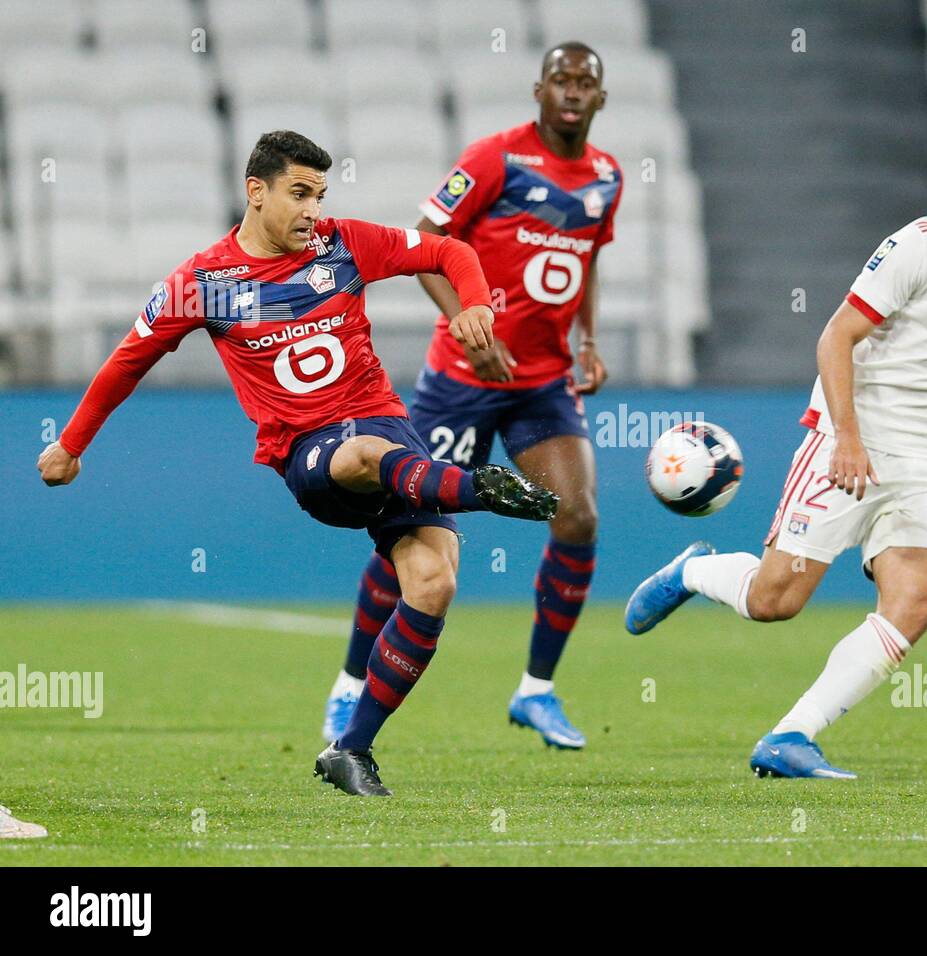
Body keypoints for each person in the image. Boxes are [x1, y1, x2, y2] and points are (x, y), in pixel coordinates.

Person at [37, 130, 558, 797]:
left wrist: (477, 304)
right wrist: (70, 444)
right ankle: (484, 491)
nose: (313, 210)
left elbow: (448, 249)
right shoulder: (202, 283)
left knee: (433, 582)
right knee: (367, 455)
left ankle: (351, 749)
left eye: (320, 195)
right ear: (256, 191)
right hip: (310, 451)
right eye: (300, 193)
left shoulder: (344, 244)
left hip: (385, 427)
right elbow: (127, 361)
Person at [625, 109, 927, 779]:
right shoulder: (922, 245)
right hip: (853, 432)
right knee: (774, 601)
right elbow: (836, 336)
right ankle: (692, 572)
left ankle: (790, 736)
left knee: (918, 600)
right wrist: (849, 439)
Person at [322, 42, 621, 750]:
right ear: (539, 91)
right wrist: (467, 321)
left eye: (584, 83)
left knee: (576, 515)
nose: (572, 92)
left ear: (600, 98)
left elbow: (587, 259)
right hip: (461, 379)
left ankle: (536, 691)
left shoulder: (607, 176)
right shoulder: (496, 159)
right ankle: (349, 686)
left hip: (542, 380)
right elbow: (426, 239)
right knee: (409, 535)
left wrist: (587, 340)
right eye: (560, 80)